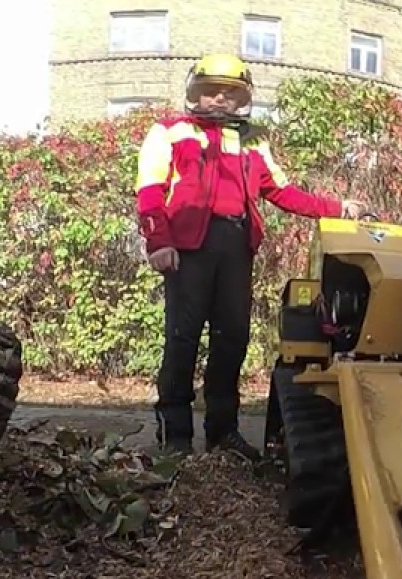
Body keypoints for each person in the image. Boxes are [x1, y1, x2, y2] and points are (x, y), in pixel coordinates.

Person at [134, 52, 367, 460]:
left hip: (236, 244)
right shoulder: (169, 131)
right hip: (187, 247)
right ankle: (176, 437)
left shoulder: (253, 139)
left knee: (233, 339)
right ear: (195, 93)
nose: (219, 100)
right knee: (181, 339)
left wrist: (337, 208)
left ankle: (223, 434)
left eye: (229, 93)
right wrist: (159, 242)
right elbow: (151, 192)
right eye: (210, 92)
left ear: (242, 98)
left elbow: (281, 191)